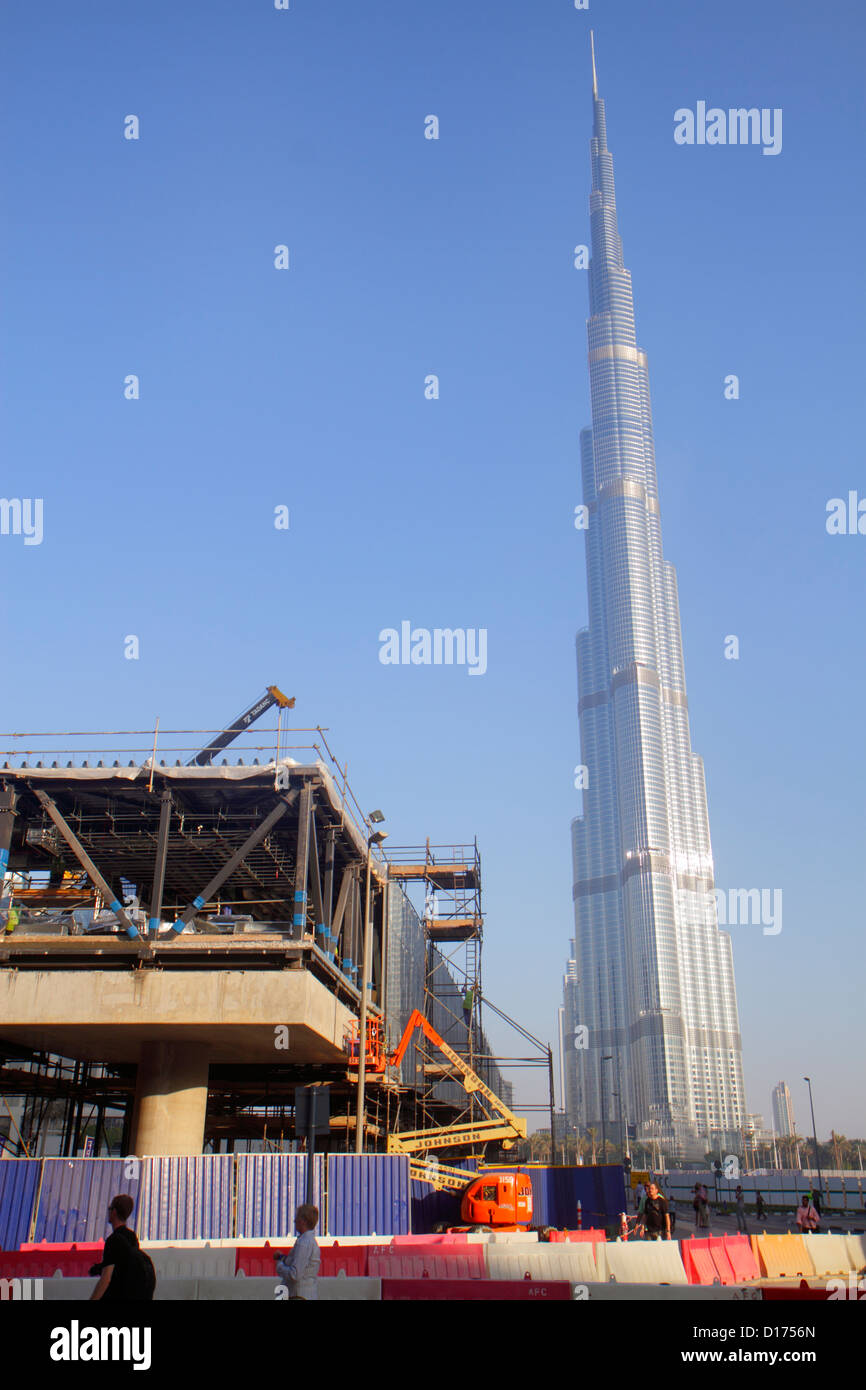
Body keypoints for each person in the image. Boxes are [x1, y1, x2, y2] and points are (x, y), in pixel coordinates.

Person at [89, 1194, 155, 1301]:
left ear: (114, 1212)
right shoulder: (132, 1237)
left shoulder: (113, 1240)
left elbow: (106, 1278)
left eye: (109, 1209)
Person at [275, 1203, 321, 1300]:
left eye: (297, 1217)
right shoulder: (310, 1241)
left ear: (303, 1221)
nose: (294, 1221)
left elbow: (295, 1275)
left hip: (299, 1295)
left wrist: (279, 1266)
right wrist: (282, 1258)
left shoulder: (303, 1243)